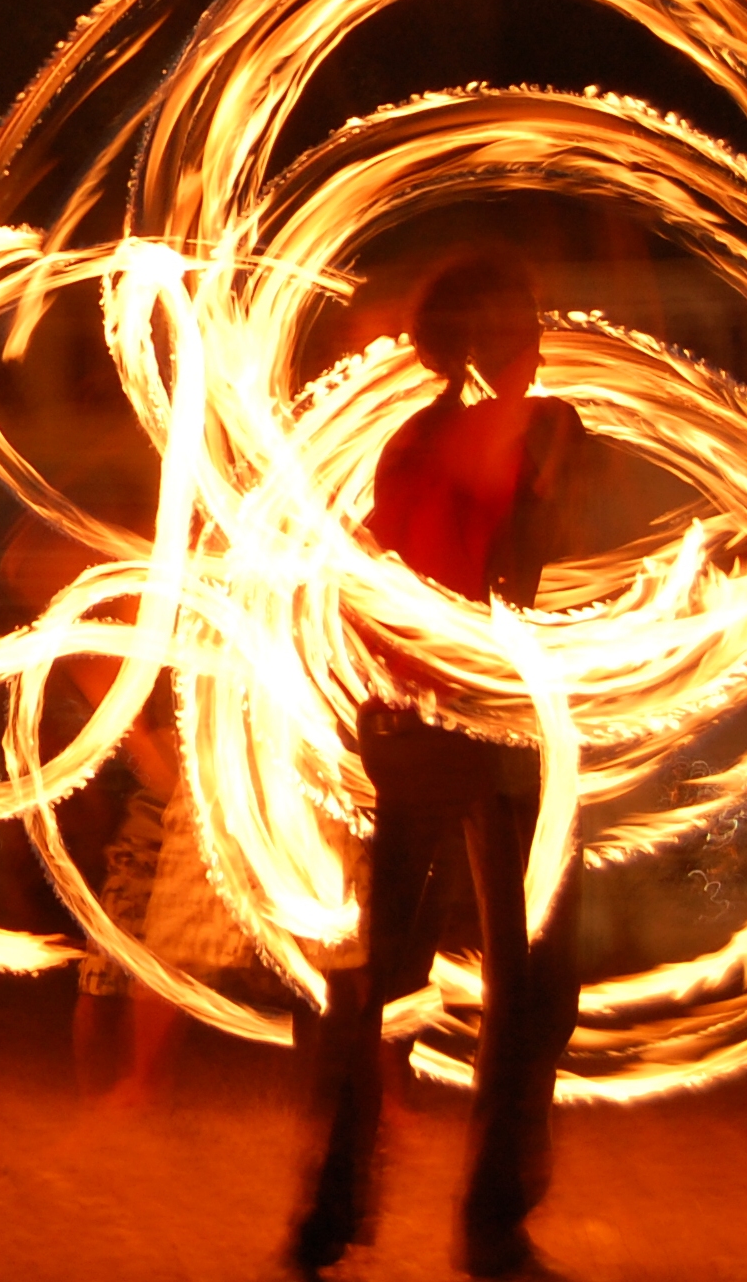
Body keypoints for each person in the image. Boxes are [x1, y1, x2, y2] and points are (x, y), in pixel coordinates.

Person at [294, 250, 587, 1280]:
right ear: (477, 342)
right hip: (458, 727)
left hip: (440, 722)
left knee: (422, 976)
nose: (536, 340)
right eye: (518, 323)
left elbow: (399, 569)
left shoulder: (438, 436)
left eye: (532, 321)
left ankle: (346, 1213)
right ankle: (464, 1226)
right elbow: (432, 571)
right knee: (499, 981)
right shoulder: (480, 435)